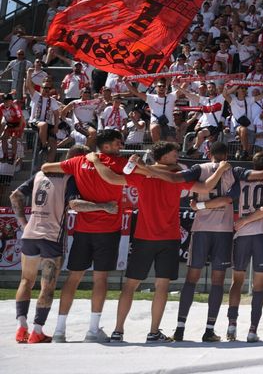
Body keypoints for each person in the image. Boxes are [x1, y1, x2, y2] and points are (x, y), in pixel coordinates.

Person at [98, 144, 228, 342]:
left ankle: (118, 331)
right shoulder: (175, 176)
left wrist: (95, 162)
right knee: (161, 287)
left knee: (131, 285)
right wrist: (220, 169)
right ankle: (153, 332)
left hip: (144, 237)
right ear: (164, 155)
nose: (177, 155)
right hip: (168, 238)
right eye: (174, 152)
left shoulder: (143, 174)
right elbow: (207, 187)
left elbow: (110, 178)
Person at [10, 145, 109, 344]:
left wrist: (23, 222)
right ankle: (37, 330)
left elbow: (15, 195)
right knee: (47, 286)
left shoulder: (40, 173)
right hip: (51, 237)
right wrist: (103, 206)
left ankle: (21, 327)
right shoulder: (70, 178)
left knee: (25, 281)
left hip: (30, 234)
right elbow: (75, 205)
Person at [41, 129, 131, 343]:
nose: (121, 146)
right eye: (118, 143)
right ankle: (92, 331)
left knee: (73, 278)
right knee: (101, 279)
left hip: (82, 230)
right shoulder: (117, 163)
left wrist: (78, 167)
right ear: (106, 146)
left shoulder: (78, 161)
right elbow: (132, 177)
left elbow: (45, 167)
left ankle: (59, 331)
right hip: (107, 230)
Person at [174, 142, 263, 342]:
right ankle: (209, 329)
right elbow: (252, 178)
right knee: (218, 281)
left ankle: (180, 328)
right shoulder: (233, 171)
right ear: (227, 154)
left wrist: (198, 204)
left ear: (208, 153)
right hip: (223, 231)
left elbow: (179, 180)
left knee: (191, 278)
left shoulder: (198, 169)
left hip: (201, 229)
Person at [226, 151, 263, 342]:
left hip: (242, 234)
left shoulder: (244, 178)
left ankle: (231, 326)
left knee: (237, 282)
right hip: (261, 234)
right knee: (258, 285)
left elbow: (228, 198)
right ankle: (253, 330)